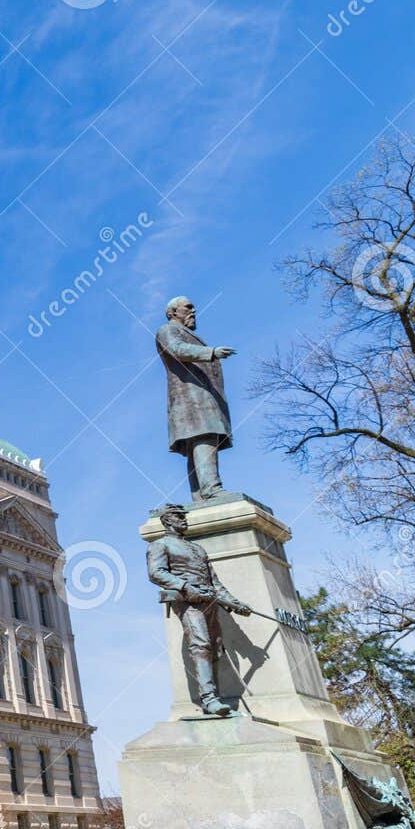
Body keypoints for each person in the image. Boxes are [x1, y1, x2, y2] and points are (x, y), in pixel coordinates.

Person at [147, 504, 252, 716]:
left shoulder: (197, 549)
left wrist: (235, 603)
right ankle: (209, 698)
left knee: (215, 646)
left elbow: (215, 583)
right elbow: (156, 573)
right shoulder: (159, 545)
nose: (184, 520)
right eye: (178, 517)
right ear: (167, 521)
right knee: (200, 643)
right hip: (187, 601)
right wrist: (186, 587)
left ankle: (216, 696)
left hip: (209, 601)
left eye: (183, 516)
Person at [157, 296, 235, 502]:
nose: (193, 311)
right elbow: (178, 349)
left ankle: (201, 495)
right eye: (188, 307)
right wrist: (211, 352)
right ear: (173, 312)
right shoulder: (167, 330)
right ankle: (212, 489)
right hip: (191, 398)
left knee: (200, 443)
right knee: (204, 436)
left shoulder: (185, 333)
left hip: (199, 397)